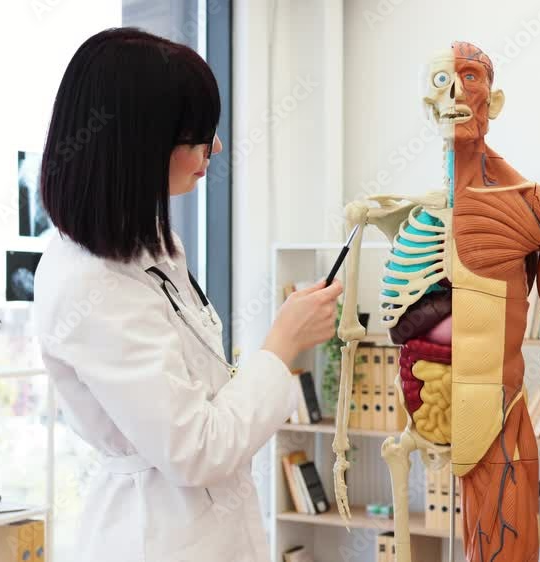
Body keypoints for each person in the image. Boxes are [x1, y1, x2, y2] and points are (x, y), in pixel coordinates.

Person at [33, 27, 343, 562]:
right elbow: (196, 449)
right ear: (141, 143)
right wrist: (281, 345)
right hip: (154, 537)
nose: (215, 147)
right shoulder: (90, 282)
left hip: (204, 526)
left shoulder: (152, 248)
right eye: (198, 134)